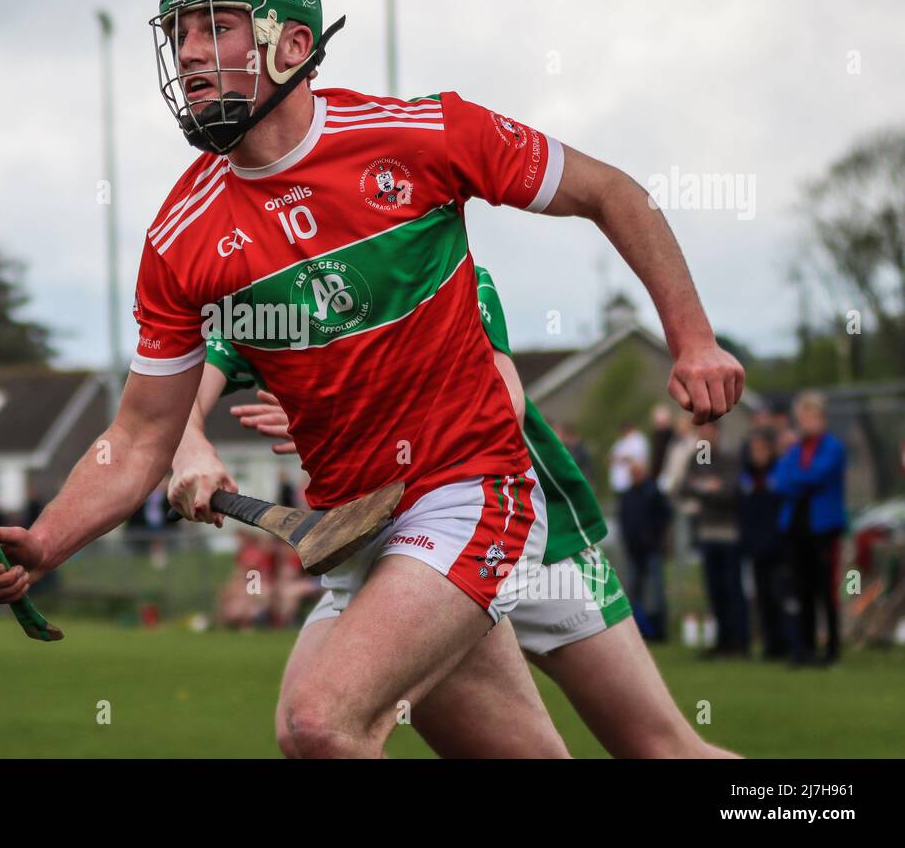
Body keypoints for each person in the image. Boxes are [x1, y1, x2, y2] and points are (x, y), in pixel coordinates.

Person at [0, 0, 744, 758]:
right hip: (363, 532)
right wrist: (47, 541)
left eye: (217, 29)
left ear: (293, 47)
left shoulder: (424, 138)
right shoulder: (183, 238)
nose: (189, 53)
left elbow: (611, 191)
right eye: (180, 34)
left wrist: (691, 341)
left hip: (470, 491)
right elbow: (137, 440)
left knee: (324, 721)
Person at [173, 263, 736, 757]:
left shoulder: (436, 265)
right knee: (308, 732)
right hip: (400, 550)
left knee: (661, 749)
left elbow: (501, 410)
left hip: (537, 542)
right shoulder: (271, 299)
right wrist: (188, 442)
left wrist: (353, 423)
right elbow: (176, 395)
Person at [771, 391, 846, 666]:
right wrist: (797, 479)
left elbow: (816, 476)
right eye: (801, 417)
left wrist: (796, 480)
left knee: (824, 590)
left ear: (821, 418)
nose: (804, 422)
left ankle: (832, 649)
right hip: (796, 528)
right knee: (800, 589)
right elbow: (778, 479)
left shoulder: (833, 447)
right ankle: (804, 648)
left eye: (809, 416)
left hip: (823, 529)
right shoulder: (795, 450)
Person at [677, 422, 748, 657]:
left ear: (718, 433)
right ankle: (722, 640)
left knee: (732, 589)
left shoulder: (729, 458)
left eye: (708, 432)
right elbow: (684, 486)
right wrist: (709, 487)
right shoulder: (697, 459)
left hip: (728, 533)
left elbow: (729, 491)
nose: (704, 436)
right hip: (707, 532)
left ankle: (739, 641)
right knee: (714, 590)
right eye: (701, 432)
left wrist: (706, 488)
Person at [737, 429, 787, 660]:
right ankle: (769, 644)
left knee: (779, 594)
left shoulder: (778, 476)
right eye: (754, 450)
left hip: (776, 546)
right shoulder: (746, 479)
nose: (757, 454)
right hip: (755, 546)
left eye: (761, 450)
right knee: (762, 597)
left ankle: (784, 642)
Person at [619, 459, 672, 642]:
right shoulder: (627, 495)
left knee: (656, 591)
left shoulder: (653, 492)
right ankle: (638, 629)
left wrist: (655, 538)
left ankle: (659, 629)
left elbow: (665, 517)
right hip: (634, 551)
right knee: (634, 591)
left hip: (651, 550)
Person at [609, 420, 651, 500]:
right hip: (620, 484)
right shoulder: (621, 442)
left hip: (632, 483)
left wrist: (621, 458)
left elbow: (637, 458)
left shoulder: (639, 440)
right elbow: (611, 457)